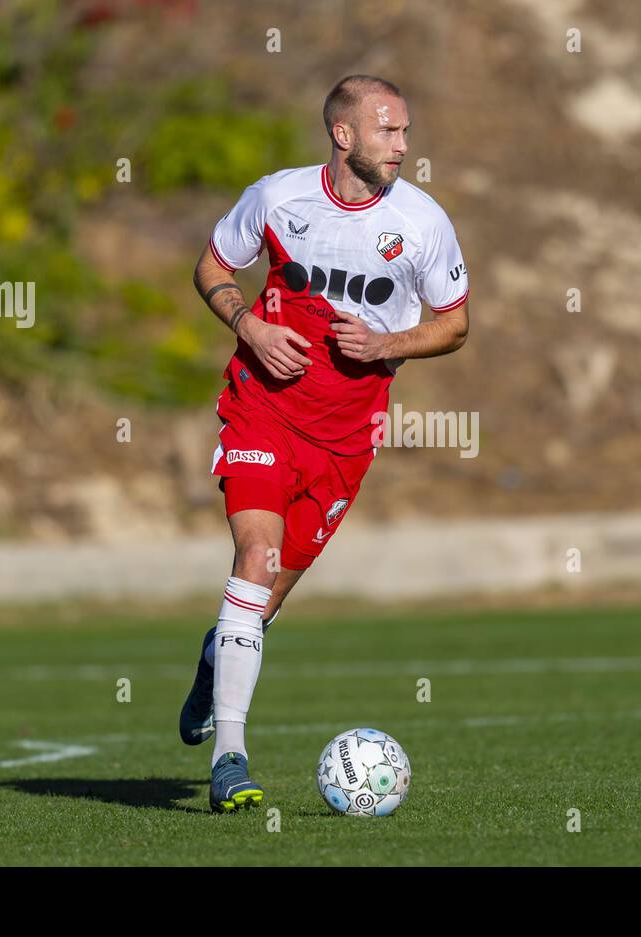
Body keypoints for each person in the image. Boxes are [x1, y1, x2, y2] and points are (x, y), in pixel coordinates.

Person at [181, 75, 471, 812]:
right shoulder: (278, 198)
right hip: (262, 413)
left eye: (405, 131)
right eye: (388, 131)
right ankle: (231, 759)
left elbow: (455, 322)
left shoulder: (423, 223)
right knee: (253, 557)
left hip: (346, 439)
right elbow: (213, 266)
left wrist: (386, 343)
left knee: (266, 595)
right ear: (343, 135)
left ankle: (218, 654)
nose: (403, 146)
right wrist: (249, 326)